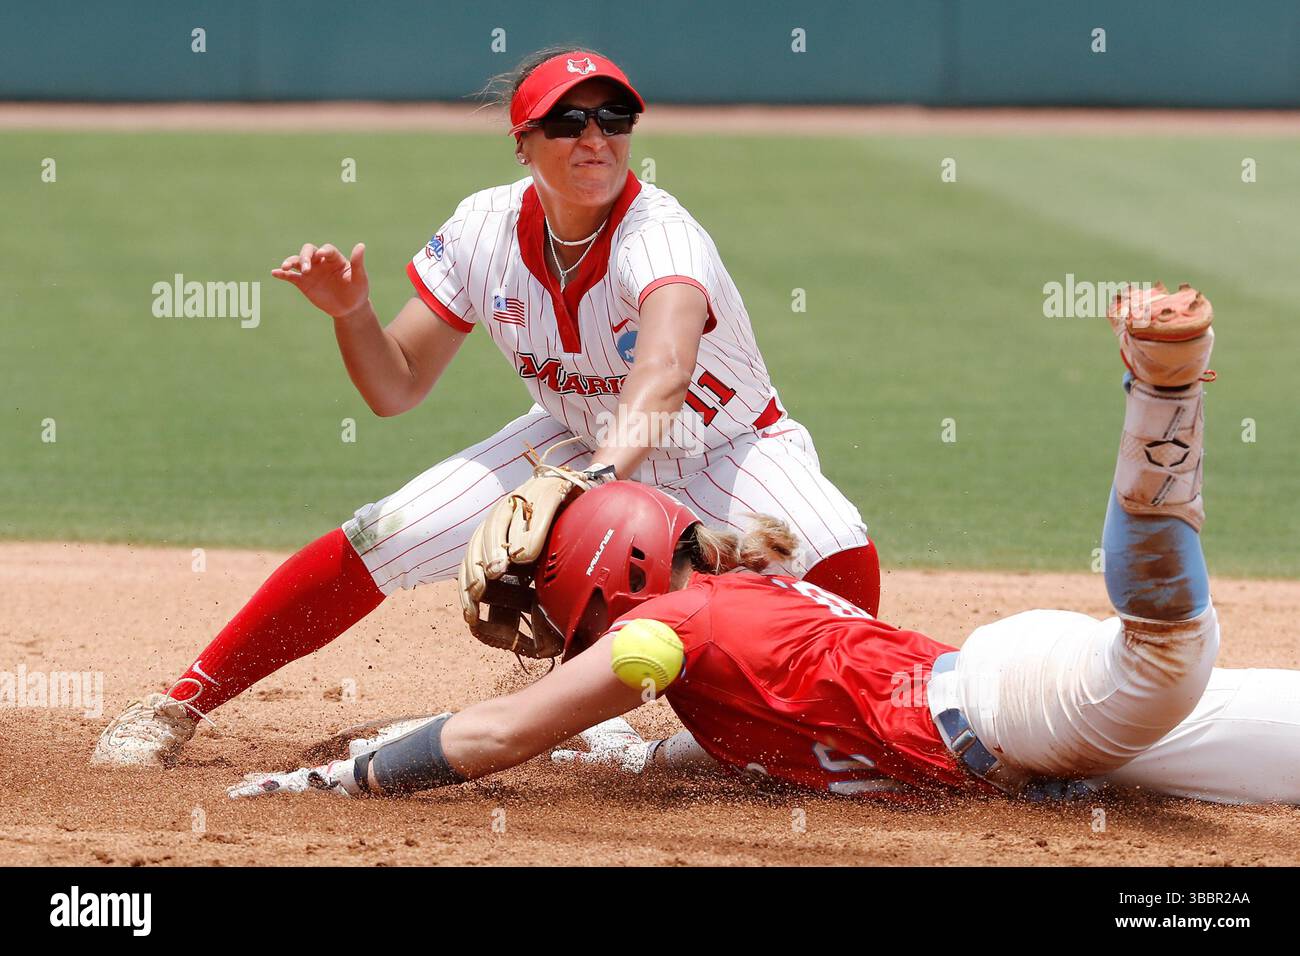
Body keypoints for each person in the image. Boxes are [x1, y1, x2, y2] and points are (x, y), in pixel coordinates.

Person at [91, 48, 879, 768]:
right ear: (523, 143)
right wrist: (352, 313)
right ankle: (177, 704)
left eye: (614, 118)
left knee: (832, 545)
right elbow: (395, 385)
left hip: (728, 448)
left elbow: (666, 370)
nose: (595, 137)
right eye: (568, 121)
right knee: (388, 533)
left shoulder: (660, 235)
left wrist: (593, 484)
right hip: (574, 441)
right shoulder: (483, 230)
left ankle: (790, 738)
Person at [228, 284, 1300, 806]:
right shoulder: (720, 642)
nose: (550, 621)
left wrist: (337, 781)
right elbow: (664, 742)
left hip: (1014, 701)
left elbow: (506, 729)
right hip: (1036, 737)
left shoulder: (667, 628)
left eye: (551, 588)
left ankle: (1162, 397)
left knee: (1159, 650)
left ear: (612, 568)